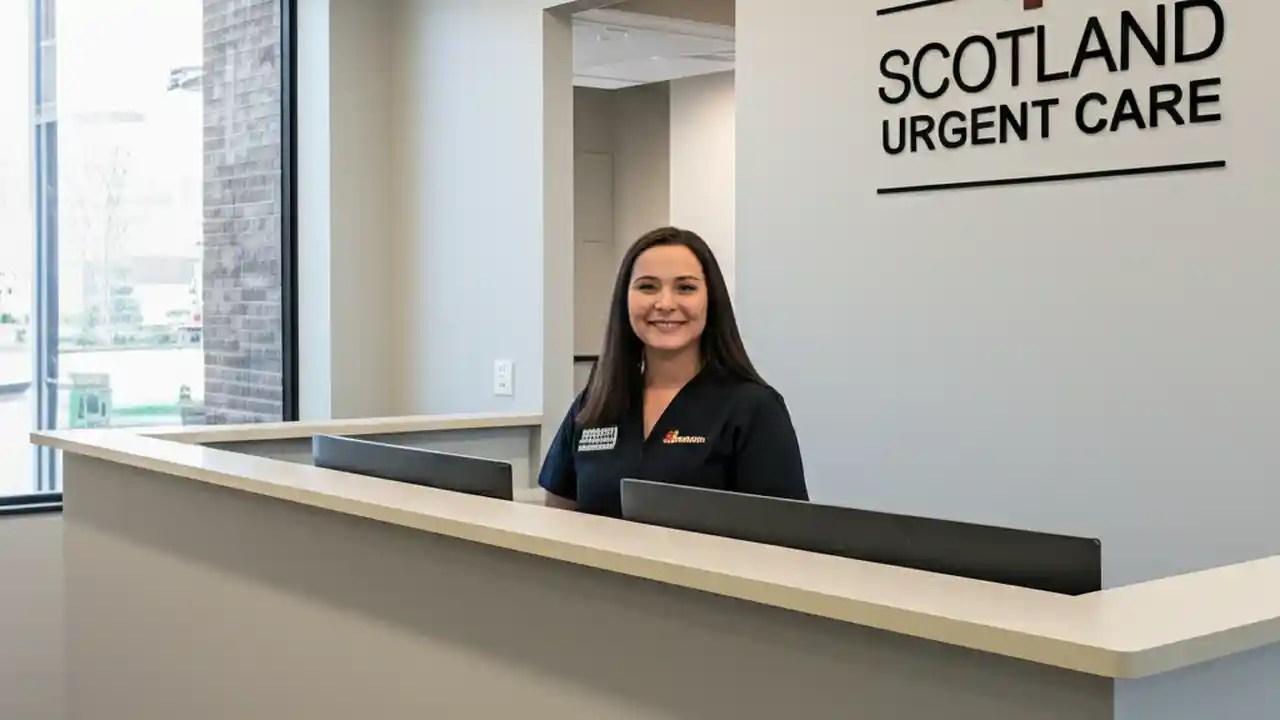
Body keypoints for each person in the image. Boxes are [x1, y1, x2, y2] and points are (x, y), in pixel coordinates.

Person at [538, 226, 808, 517]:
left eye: (685, 288)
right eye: (647, 286)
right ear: (624, 300)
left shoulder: (753, 409)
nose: (665, 304)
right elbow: (558, 520)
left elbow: (783, 537)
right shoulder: (594, 405)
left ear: (711, 301)